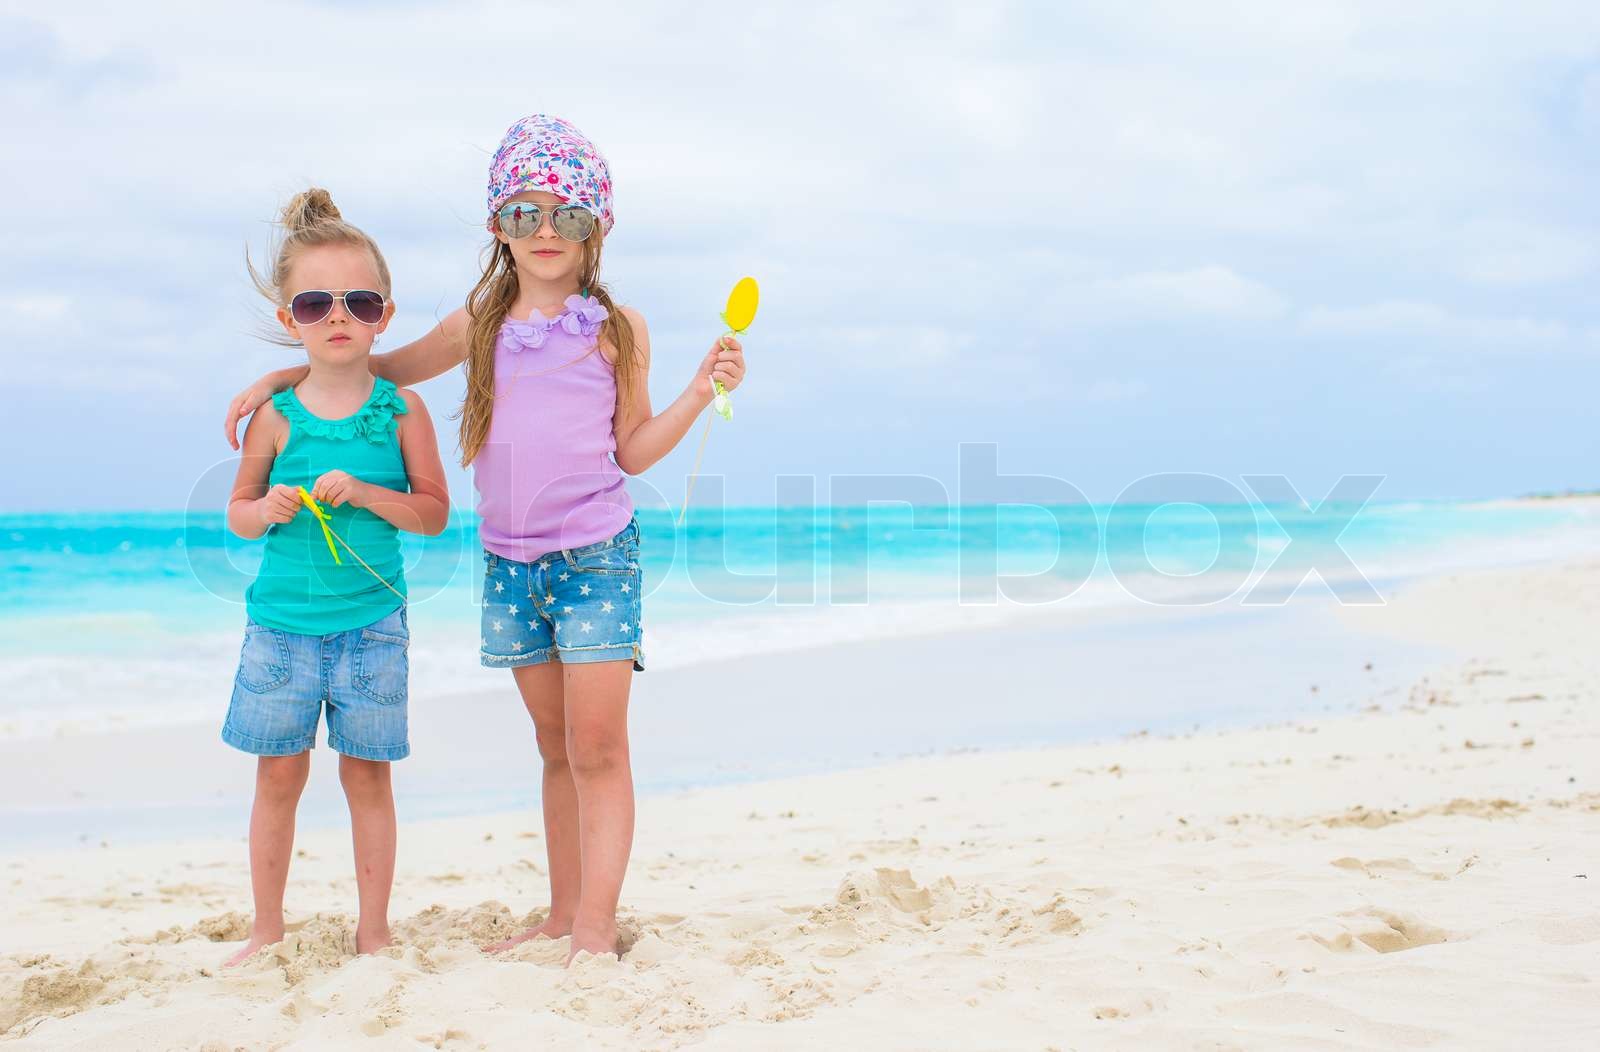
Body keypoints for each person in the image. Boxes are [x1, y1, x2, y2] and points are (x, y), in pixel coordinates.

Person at [223, 116, 747, 962]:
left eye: (568, 215)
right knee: (553, 746)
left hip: (598, 556)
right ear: (498, 223)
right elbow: (374, 369)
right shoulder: (481, 319)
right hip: (509, 563)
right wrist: (286, 374)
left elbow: (632, 449)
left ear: (598, 228)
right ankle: (562, 908)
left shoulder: (618, 328)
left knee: (600, 746)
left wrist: (696, 391)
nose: (546, 231)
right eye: (525, 212)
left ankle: (596, 928)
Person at [221, 188, 449, 966]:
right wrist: (270, 507)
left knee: (368, 781)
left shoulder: (403, 411)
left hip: (373, 625)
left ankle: (374, 930)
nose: (338, 316)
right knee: (278, 779)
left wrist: (371, 494)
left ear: (384, 314)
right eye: (316, 303)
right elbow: (238, 514)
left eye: (358, 301)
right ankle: (266, 928)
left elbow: (434, 513)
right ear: (291, 320)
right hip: (281, 626)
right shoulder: (276, 416)